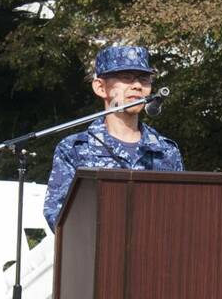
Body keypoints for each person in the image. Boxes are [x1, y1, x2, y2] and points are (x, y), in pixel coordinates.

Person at [43, 45, 183, 232]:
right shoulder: (74, 149)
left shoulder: (166, 151)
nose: (137, 86)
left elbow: (181, 213)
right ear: (100, 87)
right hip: (96, 255)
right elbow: (58, 216)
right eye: (126, 77)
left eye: (144, 79)